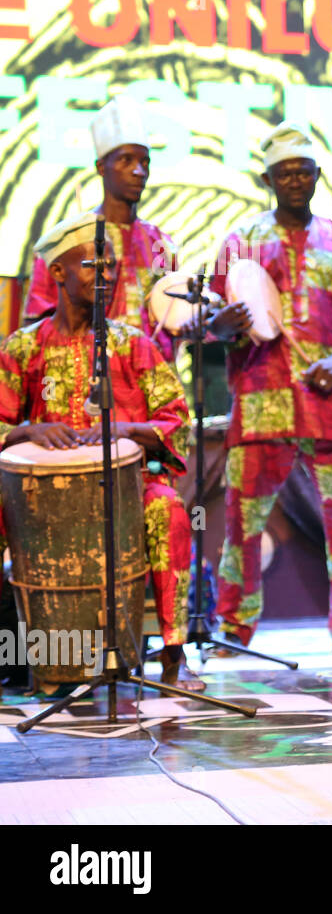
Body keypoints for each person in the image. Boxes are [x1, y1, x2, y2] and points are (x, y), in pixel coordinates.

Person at [206, 123, 332, 652]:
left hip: (331, 397)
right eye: (284, 172)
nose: (294, 179)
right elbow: (211, 323)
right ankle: (231, 628)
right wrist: (225, 323)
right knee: (243, 520)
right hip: (261, 397)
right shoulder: (241, 242)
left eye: (303, 171)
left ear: (318, 176)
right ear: (266, 178)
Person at [1, 214, 202, 690]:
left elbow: (178, 422)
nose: (106, 273)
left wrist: (126, 430)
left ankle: (173, 654)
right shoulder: (23, 348)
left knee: (170, 510)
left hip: (126, 491)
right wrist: (27, 430)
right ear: (57, 274)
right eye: (92, 263)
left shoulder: (135, 345)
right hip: (40, 498)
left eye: (111, 264)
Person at [25, 97, 179, 358]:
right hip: (87, 379)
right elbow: (36, 323)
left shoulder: (161, 243)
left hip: (151, 383)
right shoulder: (69, 242)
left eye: (145, 162)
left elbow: (174, 318)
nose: (138, 171)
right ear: (101, 167)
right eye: (126, 160)